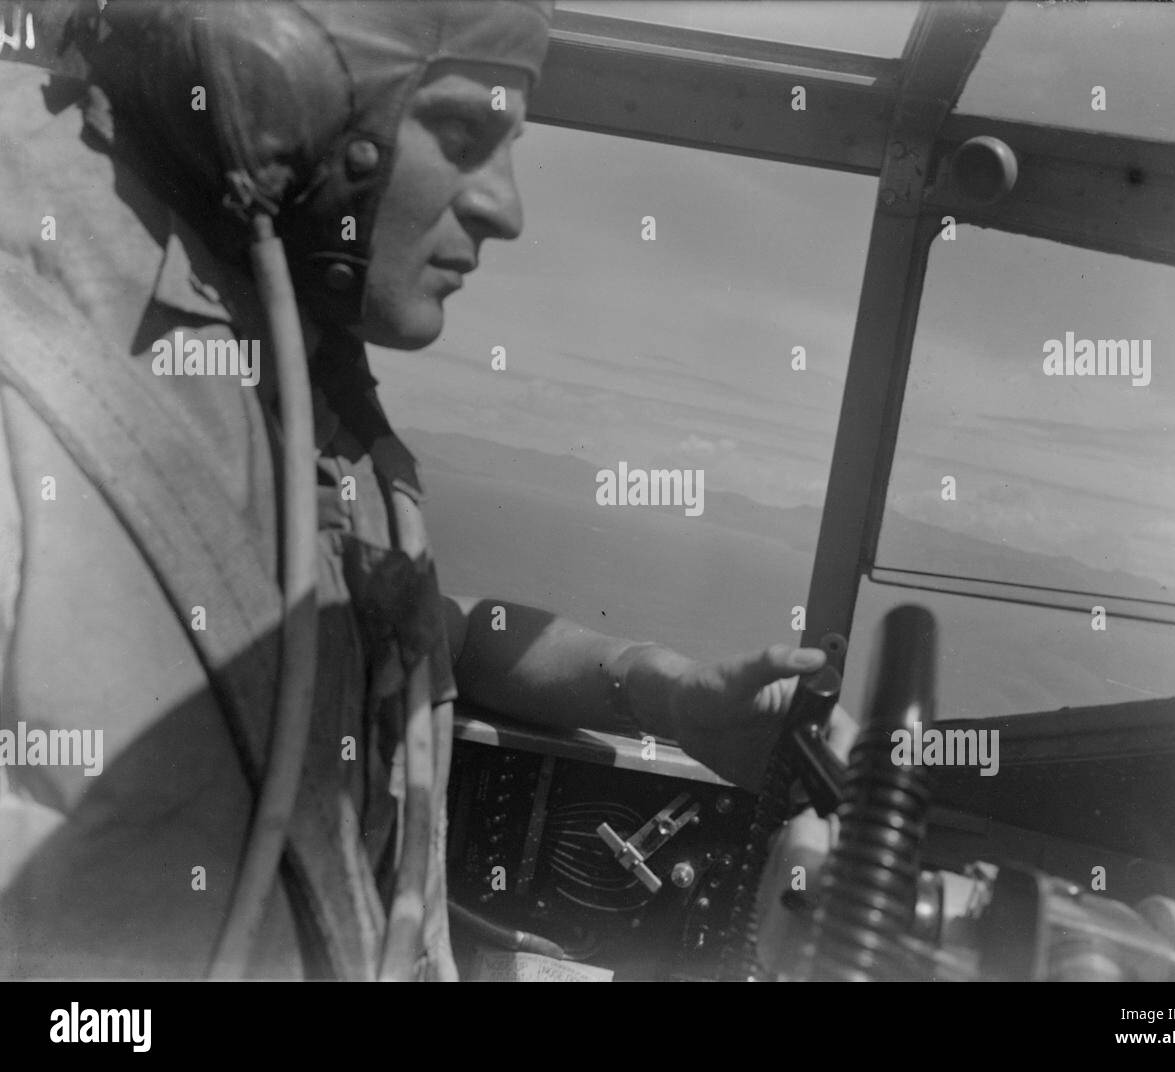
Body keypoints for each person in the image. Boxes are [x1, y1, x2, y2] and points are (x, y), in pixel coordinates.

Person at [0, 0, 844, 980]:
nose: (506, 209)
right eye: (461, 134)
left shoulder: (286, 389)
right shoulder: (38, 408)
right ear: (276, 91)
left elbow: (423, 635)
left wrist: (668, 692)